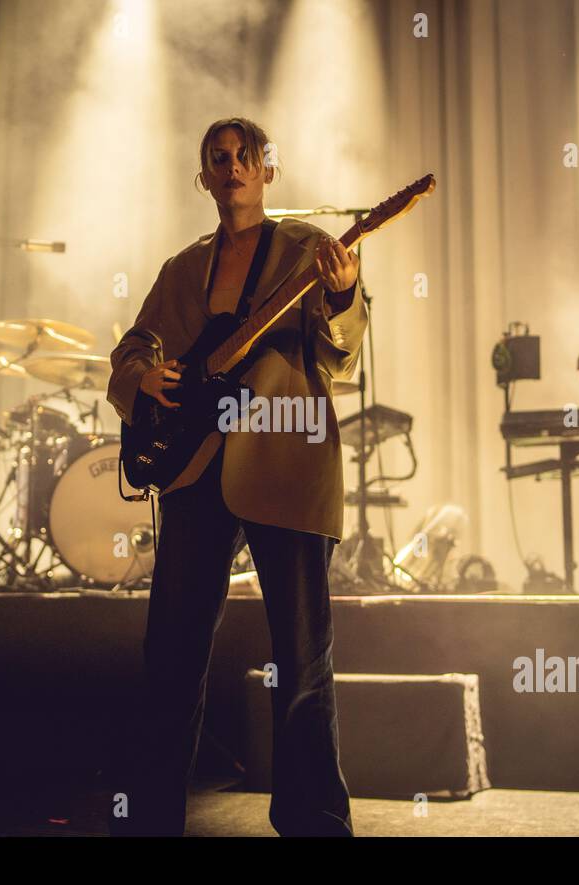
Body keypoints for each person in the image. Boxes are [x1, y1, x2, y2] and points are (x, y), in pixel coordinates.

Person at [104, 117, 366, 836]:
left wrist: (341, 297)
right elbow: (132, 347)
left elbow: (342, 357)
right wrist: (143, 377)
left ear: (267, 172)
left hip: (286, 466)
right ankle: (151, 818)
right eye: (218, 159)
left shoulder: (311, 251)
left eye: (245, 157)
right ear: (204, 178)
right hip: (194, 469)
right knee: (170, 657)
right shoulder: (183, 267)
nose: (233, 167)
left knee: (303, 662)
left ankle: (314, 820)